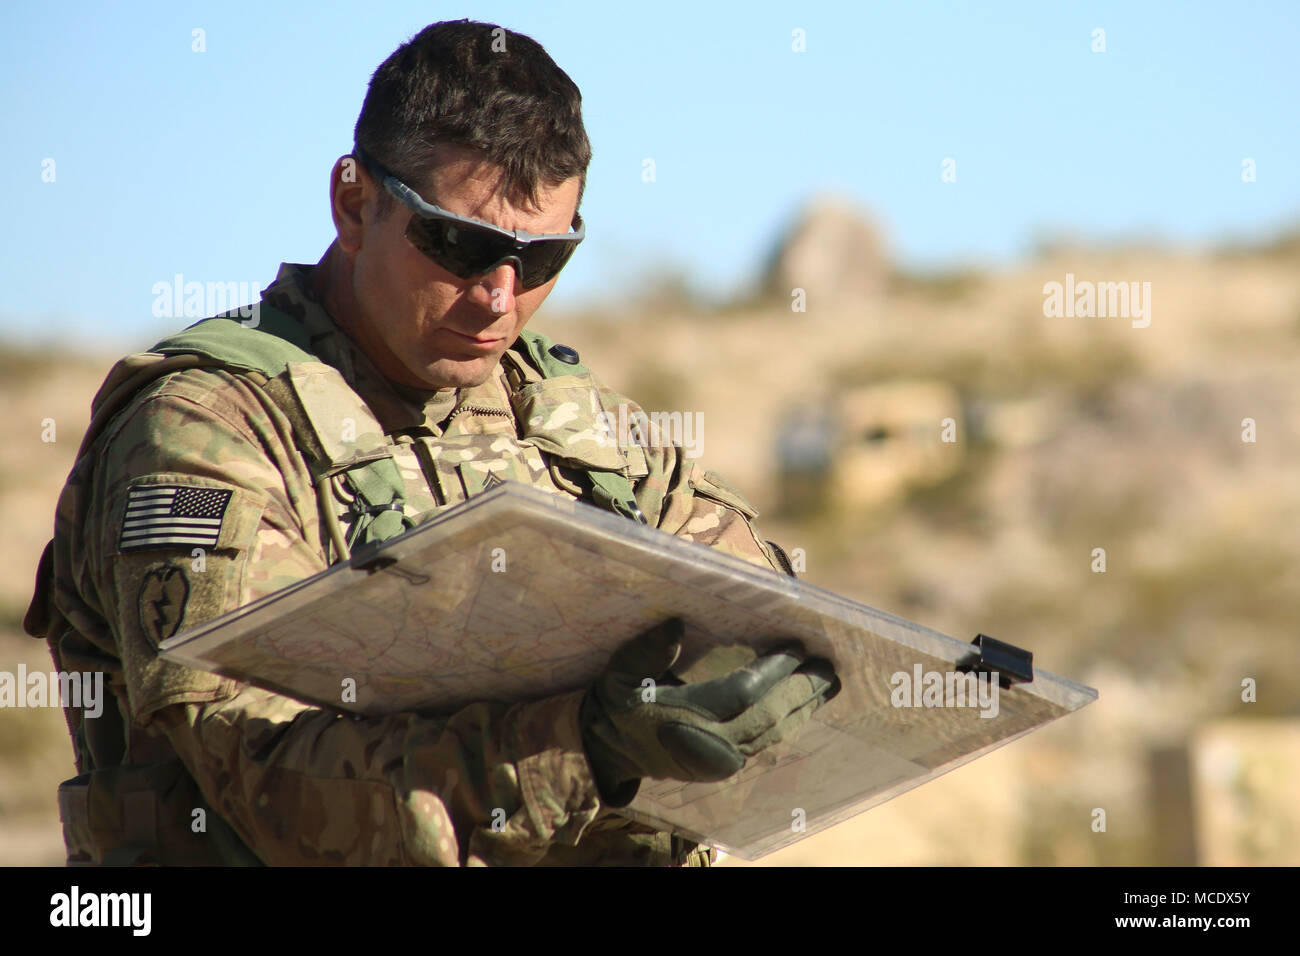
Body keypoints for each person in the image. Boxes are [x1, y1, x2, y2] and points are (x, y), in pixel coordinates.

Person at [24, 18, 836, 867]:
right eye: (462, 244)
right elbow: (264, 775)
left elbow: (772, 620)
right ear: (354, 204)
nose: (500, 297)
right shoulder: (206, 431)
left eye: (545, 256)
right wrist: (587, 750)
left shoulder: (586, 429)